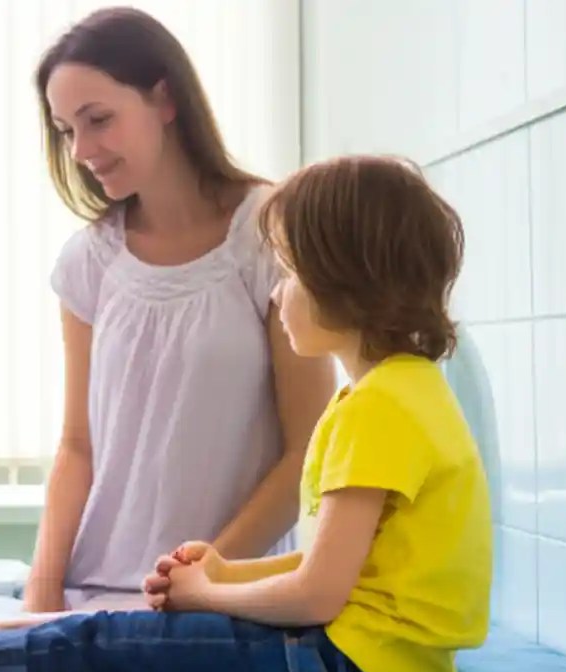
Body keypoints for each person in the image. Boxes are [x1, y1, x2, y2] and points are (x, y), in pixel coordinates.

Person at [0, 154, 494, 672]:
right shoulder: (400, 393)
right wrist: (224, 575)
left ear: (347, 281)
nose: (277, 292)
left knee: (99, 645)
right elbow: (351, 569)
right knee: (111, 623)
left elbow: (317, 594)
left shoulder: (380, 409)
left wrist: (209, 592)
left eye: (292, 273)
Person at [21, 6, 335, 613]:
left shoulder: (270, 236)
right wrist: (41, 594)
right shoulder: (90, 261)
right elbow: (77, 447)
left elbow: (309, 449)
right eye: (66, 130)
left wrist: (200, 580)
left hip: (225, 595)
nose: (82, 149)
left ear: (164, 99)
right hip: (100, 589)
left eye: (99, 119)